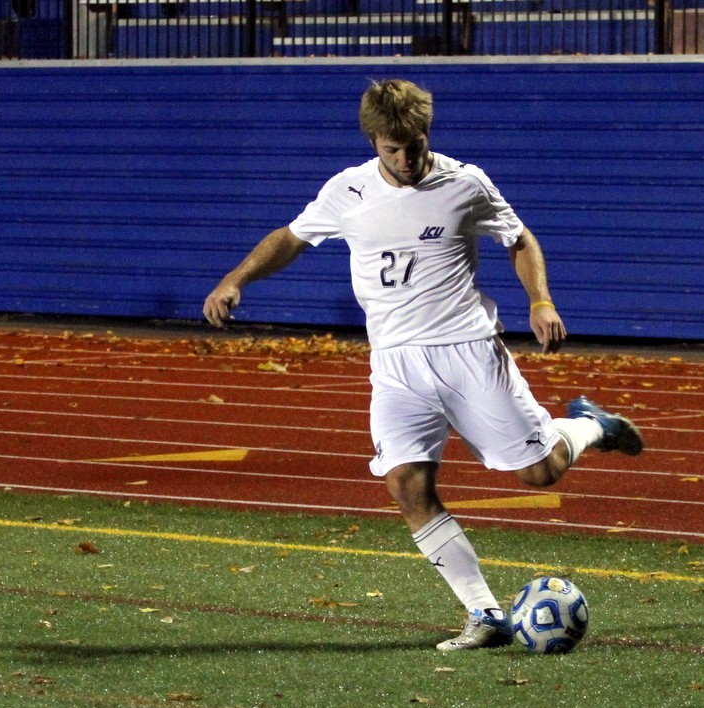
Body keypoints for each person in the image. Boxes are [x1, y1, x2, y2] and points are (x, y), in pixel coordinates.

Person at [202, 78, 644, 651]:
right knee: (407, 485)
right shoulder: (348, 191)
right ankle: (485, 615)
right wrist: (236, 279)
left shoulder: (465, 182)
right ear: (374, 143)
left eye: (415, 143)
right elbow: (291, 238)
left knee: (540, 472)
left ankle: (591, 425)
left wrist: (540, 301)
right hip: (395, 365)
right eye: (392, 148)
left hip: (468, 352)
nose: (407, 158)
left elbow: (519, 240)